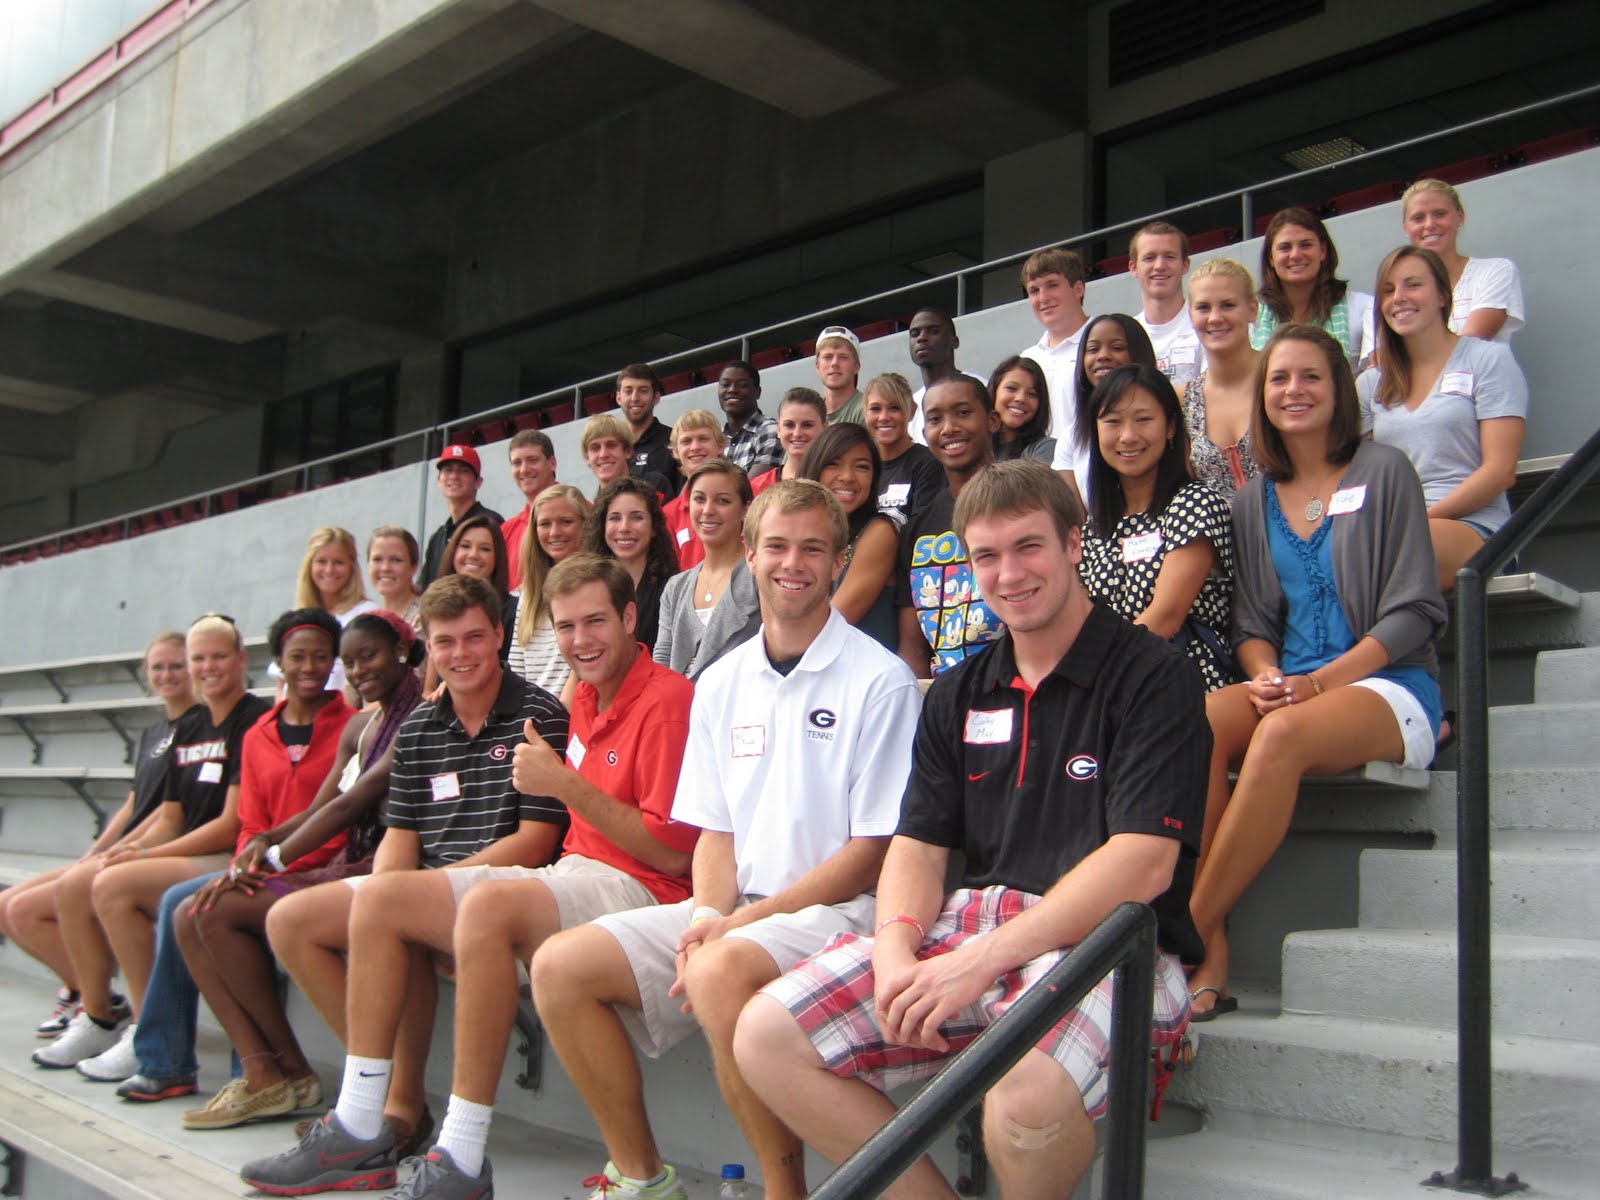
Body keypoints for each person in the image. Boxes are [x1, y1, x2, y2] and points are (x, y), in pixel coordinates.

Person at [734, 459, 1207, 1200]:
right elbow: (918, 846)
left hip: (1111, 945)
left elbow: (1144, 864)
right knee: (764, 1035)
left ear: (1075, 544)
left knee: (1021, 1097)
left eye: (1029, 547)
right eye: (986, 555)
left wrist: (981, 962)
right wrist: (895, 951)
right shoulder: (959, 690)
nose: (1008, 574)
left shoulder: (1153, 676)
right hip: (972, 926)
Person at [528, 480, 921, 1200]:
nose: (791, 562)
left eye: (812, 548)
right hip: (734, 906)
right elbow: (716, 829)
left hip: (837, 915)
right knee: (560, 967)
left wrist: (737, 924)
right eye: (776, 545)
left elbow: (870, 854)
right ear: (748, 553)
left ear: (839, 562)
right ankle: (645, 1181)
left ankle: (781, 1188)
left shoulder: (881, 682)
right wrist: (709, 914)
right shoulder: (720, 681)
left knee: (714, 970)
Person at [334, 555, 701, 1199]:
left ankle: (463, 1152)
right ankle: (360, 1119)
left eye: (595, 622)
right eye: (565, 626)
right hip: (578, 875)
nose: (580, 640)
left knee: (486, 912)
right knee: (382, 898)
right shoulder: (583, 695)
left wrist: (564, 785)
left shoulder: (668, 699)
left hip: (644, 887)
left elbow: (671, 856)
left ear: (630, 617)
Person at [247, 574, 569, 1183]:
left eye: (475, 637)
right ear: (427, 648)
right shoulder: (419, 728)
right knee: (290, 919)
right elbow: (401, 840)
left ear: (500, 635)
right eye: (445, 642)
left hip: (501, 889)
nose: (461, 654)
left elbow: (534, 843)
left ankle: (367, 1123)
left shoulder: (539, 714)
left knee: (392, 906)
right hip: (421, 890)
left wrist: (419, 893)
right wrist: (394, 896)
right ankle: (389, 1096)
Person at [1187, 325, 1447, 1019]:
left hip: (1387, 687)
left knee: (1279, 738)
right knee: (1203, 718)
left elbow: (1415, 610)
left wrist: (1318, 684)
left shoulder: (1384, 468)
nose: (1293, 391)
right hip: (1293, 687)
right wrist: (1267, 672)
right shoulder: (1252, 501)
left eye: (1310, 377)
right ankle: (1211, 952)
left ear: (1339, 390)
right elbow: (1251, 628)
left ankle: (1183, 935)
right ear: (1262, 397)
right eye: (1279, 379)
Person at [170, 613, 424, 1127]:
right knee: (191, 913)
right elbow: (319, 806)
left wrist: (272, 860)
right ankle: (274, 1073)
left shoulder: (418, 715)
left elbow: (351, 806)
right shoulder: (363, 722)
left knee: (216, 910)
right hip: (349, 860)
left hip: (388, 862)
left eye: (368, 656)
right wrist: (263, 840)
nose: (358, 671)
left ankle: (379, 1087)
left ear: (401, 650)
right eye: (350, 663)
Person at [109, 610, 352, 1106]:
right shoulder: (260, 732)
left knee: (195, 904)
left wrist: (270, 863)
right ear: (279, 664)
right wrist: (245, 862)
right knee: (190, 905)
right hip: (267, 866)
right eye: (297, 657)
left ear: (333, 663)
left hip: (321, 868)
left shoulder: (351, 725)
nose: (308, 667)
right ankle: (244, 1067)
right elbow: (249, 823)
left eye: (320, 657)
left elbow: (341, 816)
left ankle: (243, 1066)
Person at [34, 617, 271, 1075]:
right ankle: (102, 1016)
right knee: (80, 883)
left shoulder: (253, 720)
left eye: (219, 656)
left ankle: (145, 1029)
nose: (208, 667)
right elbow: (169, 816)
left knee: (113, 886)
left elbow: (230, 825)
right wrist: (126, 848)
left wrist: (145, 855)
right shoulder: (192, 724)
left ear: (242, 660)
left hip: (234, 852)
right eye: (198, 659)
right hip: (189, 848)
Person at [0, 633, 194, 1040]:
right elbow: (133, 803)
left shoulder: (200, 727)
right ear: (145, 674)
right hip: (130, 844)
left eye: (177, 665)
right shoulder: (154, 731)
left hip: (158, 850)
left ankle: (97, 1008)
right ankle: (91, 994)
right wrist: (95, 850)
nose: (167, 675)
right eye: (158, 667)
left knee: (32, 907)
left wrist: (122, 851)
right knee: (8, 905)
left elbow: (169, 813)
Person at [1358, 245, 1529, 593]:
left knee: (1400, 552)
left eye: (1413, 285)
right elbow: (1359, 474)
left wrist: (1416, 521)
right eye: (1388, 290)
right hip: (1392, 530)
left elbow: (1499, 472)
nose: (1399, 298)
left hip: (1473, 528)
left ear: (1441, 295)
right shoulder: (1370, 383)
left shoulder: (1488, 360)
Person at [1078, 364, 1236, 692]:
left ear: (1170, 427)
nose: (1128, 436)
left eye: (1143, 419)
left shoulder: (1196, 504)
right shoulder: (1094, 527)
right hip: (1111, 681)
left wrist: (1093, 678)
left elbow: (1165, 616)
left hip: (1181, 676)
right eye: (1112, 421)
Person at [896, 377, 1005, 678]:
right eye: (935, 419)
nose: (948, 428)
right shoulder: (916, 529)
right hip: (945, 698)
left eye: (962, 412)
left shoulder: (1026, 503)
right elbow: (913, 647)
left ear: (992, 420)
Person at [654, 459, 761, 681]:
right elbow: (662, 662)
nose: (708, 510)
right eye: (699, 499)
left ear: (745, 509)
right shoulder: (675, 587)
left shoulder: (759, 574)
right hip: (679, 708)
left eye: (722, 501)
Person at [801, 424, 901, 651]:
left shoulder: (879, 532)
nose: (847, 477)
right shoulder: (801, 537)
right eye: (833, 464)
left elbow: (835, 621)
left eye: (862, 467)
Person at [1397, 178, 1525, 341]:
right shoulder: (1395, 292)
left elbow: (1471, 344)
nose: (1429, 224)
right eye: (1418, 218)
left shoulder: (1494, 271)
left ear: (1460, 217)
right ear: (1405, 227)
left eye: (1440, 214)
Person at [1252, 207, 1373, 370]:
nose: (1295, 255)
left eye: (1305, 245)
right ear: (1271, 258)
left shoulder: (1362, 308)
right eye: (1285, 247)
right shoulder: (1250, 317)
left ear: (1322, 251)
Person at [1182, 259, 1263, 500]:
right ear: (1191, 315)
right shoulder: (1183, 399)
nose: (1215, 318)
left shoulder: (1281, 380)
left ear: (1252, 309)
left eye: (1227, 305)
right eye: (1204, 308)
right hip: (1217, 536)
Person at [1063, 314, 1160, 505]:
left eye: (1117, 348)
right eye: (1092, 349)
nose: (1103, 356)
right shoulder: (1071, 438)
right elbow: (1074, 518)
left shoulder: (1170, 418)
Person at [507, 485, 590, 701]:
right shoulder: (528, 593)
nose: (555, 532)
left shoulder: (595, 585)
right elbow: (516, 672)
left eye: (566, 522)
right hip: (531, 717)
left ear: (585, 524)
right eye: (545, 524)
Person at [1016, 247, 1090, 483]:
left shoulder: (1104, 346)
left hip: (1091, 473)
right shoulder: (1028, 358)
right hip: (1042, 482)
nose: (1043, 298)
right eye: (1034, 290)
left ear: (1078, 289)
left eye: (1052, 285)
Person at [583, 477, 678, 652]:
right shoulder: (587, 587)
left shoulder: (673, 590)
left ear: (654, 527)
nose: (624, 527)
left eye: (637, 517)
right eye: (615, 518)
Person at [434, 513, 517, 666]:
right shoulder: (436, 606)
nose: (473, 555)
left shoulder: (514, 611)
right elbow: (430, 686)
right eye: (465, 546)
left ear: (497, 557)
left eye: (485, 549)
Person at [1131, 221, 1205, 389]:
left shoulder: (1205, 325)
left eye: (1169, 257)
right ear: (1133, 267)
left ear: (1185, 265)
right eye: (1149, 258)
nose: (1159, 266)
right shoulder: (1126, 335)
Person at [865, 372, 946, 525]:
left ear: (912, 411)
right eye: (875, 409)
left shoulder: (930, 464)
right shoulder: (861, 466)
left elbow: (923, 528)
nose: (884, 417)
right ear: (865, 413)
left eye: (894, 408)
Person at [420, 445, 504, 588]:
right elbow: (425, 588)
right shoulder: (438, 537)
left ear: (478, 482)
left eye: (463, 471)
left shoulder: (491, 523)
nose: (454, 476)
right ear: (438, 480)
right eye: (448, 470)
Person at [659, 410, 729, 570]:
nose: (695, 447)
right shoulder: (669, 515)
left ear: (720, 446)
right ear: (675, 452)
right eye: (686, 441)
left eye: (703, 439)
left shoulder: (746, 494)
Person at [904, 308, 985, 445]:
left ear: (955, 341)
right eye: (915, 334)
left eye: (933, 331)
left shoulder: (980, 387)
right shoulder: (911, 405)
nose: (921, 338)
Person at [499, 430, 559, 589]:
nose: (524, 470)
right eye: (517, 463)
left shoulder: (583, 513)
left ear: (552, 463)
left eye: (532, 460)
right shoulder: (505, 531)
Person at [617, 364, 684, 496]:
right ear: (618, 398)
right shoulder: (613, 446)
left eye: (643, 391)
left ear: (656, 397)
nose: (635, 398)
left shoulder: (674, 441)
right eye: (628, 391)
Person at [750, 387, 826, 494]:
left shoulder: (834, 483)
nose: (797, 433)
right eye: (789, 425)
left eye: (807, 425)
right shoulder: (756, 488)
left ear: (825, 427)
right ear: (779, 429)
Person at [718, 361, 782, 478]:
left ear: (757, 392)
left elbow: (756, 486)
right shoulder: (716, 438)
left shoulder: (770, 430)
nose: (732, 390)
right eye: (725, 384)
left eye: (742, 385)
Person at [987, 356, 1055, 464]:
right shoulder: (975, 447)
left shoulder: (1044, 449)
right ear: (994, 390)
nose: (1021, 398)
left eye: (1032, 394)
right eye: (1011, 388)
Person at [367, 527, 423, 630]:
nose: (385, 568)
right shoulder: (370, 618)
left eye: (396, 560)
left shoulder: (424, 618)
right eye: (377, 559)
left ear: (413, 566)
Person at [814, 325, 866, 426]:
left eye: (843, 357)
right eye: (828, 357)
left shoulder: (868, 409)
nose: (834, 363)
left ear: (856, 367)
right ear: (817, 367)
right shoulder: (810, 413)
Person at [581, 414, 637, 493]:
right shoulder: (590, 505)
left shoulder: (652, 496)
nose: (603, 454)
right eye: (595, 448)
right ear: (587, 457)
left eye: (611, 446)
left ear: (628, 451)